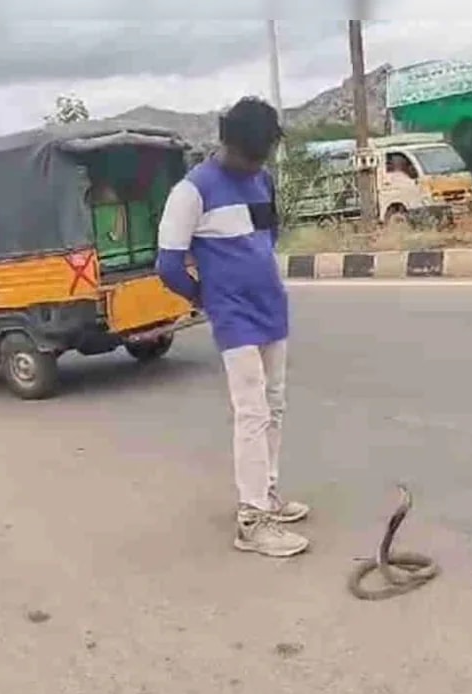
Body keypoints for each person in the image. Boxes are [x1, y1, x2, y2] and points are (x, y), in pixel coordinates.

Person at [155, 96, 308, 558]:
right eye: (250, 155)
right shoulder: (192, 191)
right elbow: (168, 265)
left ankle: (268, 494)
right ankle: (251, 520)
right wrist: (209, 300)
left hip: (271, 307)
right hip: (234, 316)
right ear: (228, 142)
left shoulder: (262, 179)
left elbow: (267, 237)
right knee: (252, 411)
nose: (255, 165)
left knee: (275, 405)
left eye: (262, 156)